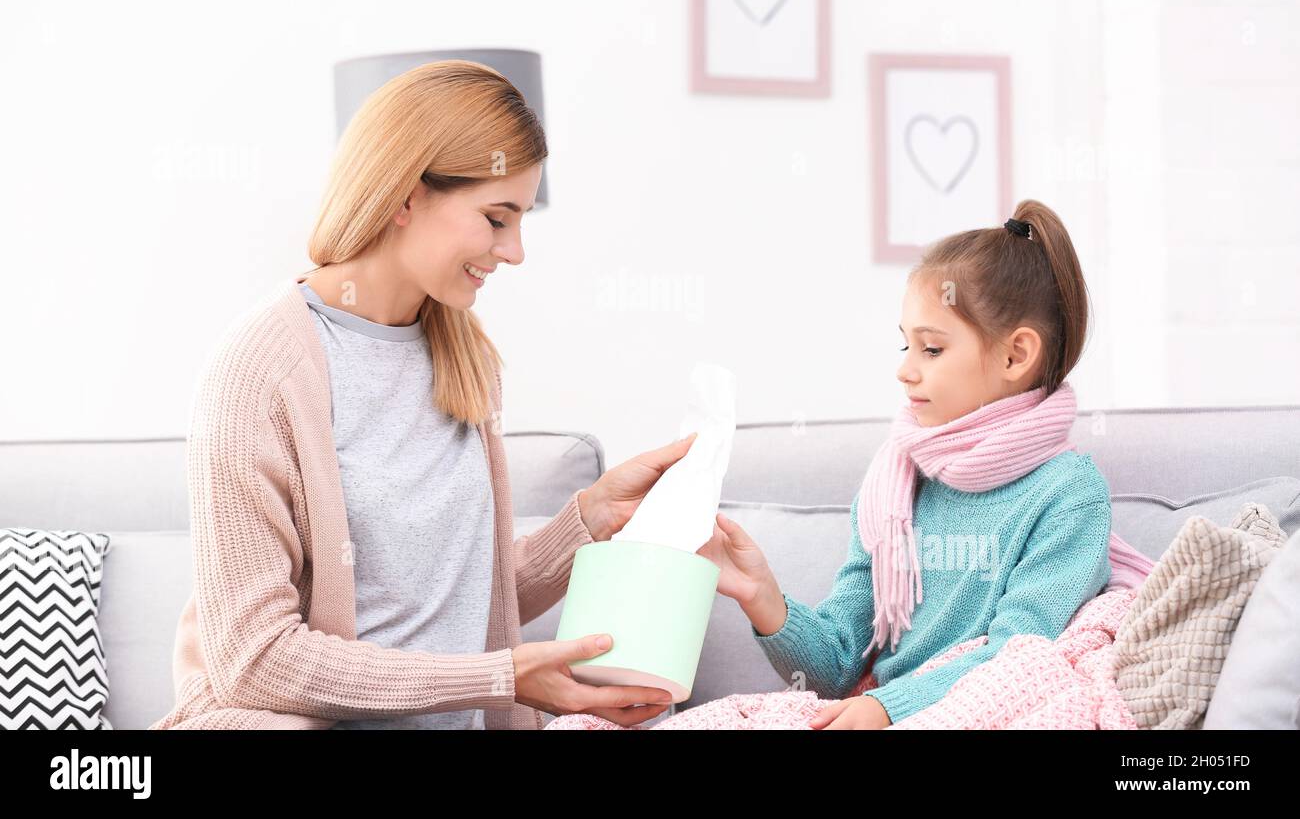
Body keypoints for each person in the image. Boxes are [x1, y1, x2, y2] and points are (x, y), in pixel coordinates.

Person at [150, 60, 686, 729]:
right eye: (496, 218)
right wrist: (498, 677)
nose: (515, 251)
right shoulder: (262, 370)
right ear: (404, 196)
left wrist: (590, 519)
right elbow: (254, 660)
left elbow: (449, 606)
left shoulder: (464, 356)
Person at [700, 199, 1116, 729]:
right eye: (905, 346)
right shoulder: (892, 486)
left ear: (1015, 355)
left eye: (931, 349)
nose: (904, 371)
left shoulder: (1068, 494)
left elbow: (1020, 657)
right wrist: (761, 595)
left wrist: (888, 708)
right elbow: (834, 668)